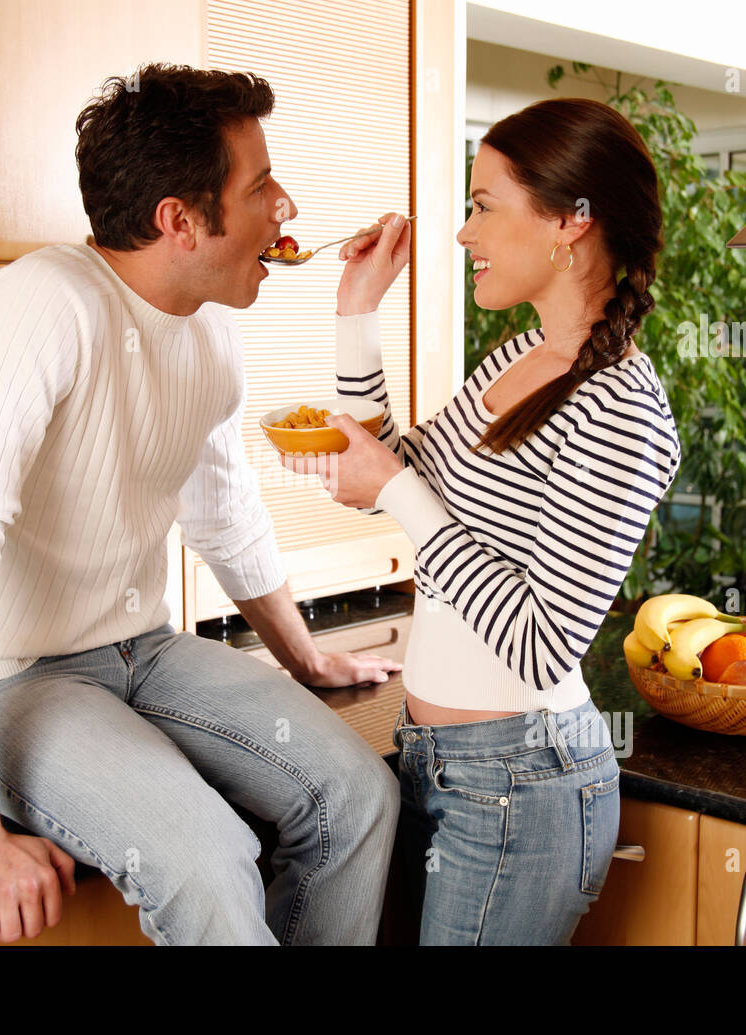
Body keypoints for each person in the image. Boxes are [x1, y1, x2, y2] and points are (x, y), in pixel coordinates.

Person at [0, 63, 403, 946]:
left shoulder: (208, 327)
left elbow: (222, 511)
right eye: (262, 184)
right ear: (180, 220)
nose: (288, 208)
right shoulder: (43, 302)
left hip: (148, 654)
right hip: (19, 680)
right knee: (206, 859)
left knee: (359, 796)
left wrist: (304, 656)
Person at [285, 97, 682, 944]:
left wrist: (389, 485)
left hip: (525, 781)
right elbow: (414, 471)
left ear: (571, 223)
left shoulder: (622, 407)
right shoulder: (521, 354)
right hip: (441, 762)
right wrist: (358, 311)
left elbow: (541, 642)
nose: (464, 234)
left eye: (484, 206)